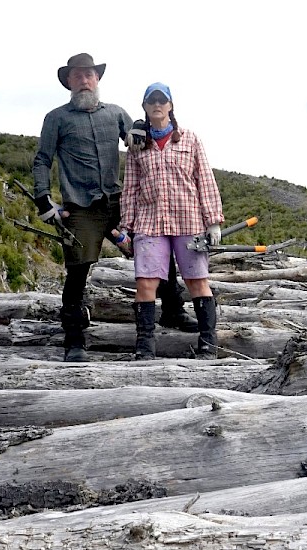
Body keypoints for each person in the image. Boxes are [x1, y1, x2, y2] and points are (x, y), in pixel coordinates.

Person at [32, 54, 196, 362]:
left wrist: (137, 126)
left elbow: (140, 143)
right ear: (69, 81)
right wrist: (44, 200)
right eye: (78, 75)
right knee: (78, 271)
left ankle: (173, 310)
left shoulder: (116, 113)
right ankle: (75, 339)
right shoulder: (56, 118)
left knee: (155, 243)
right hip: (80, 206)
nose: (84, 80)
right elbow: (42, 160)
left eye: (89, 75)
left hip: (119, 200)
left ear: (97, 79)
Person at [119, 82, 224, 360]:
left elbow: (205, 179)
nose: (157, 105)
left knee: (197, 281)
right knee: (145, 284)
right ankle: (144, 347)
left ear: (170, 105)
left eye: (161, 100)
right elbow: (130, 189)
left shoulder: (189, 139)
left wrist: (213, 220)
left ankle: (208, 344)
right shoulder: (137, 146)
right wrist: (126, 227)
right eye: (151, 101)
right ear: (144, 107)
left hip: (188, 221)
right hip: (149, 223)